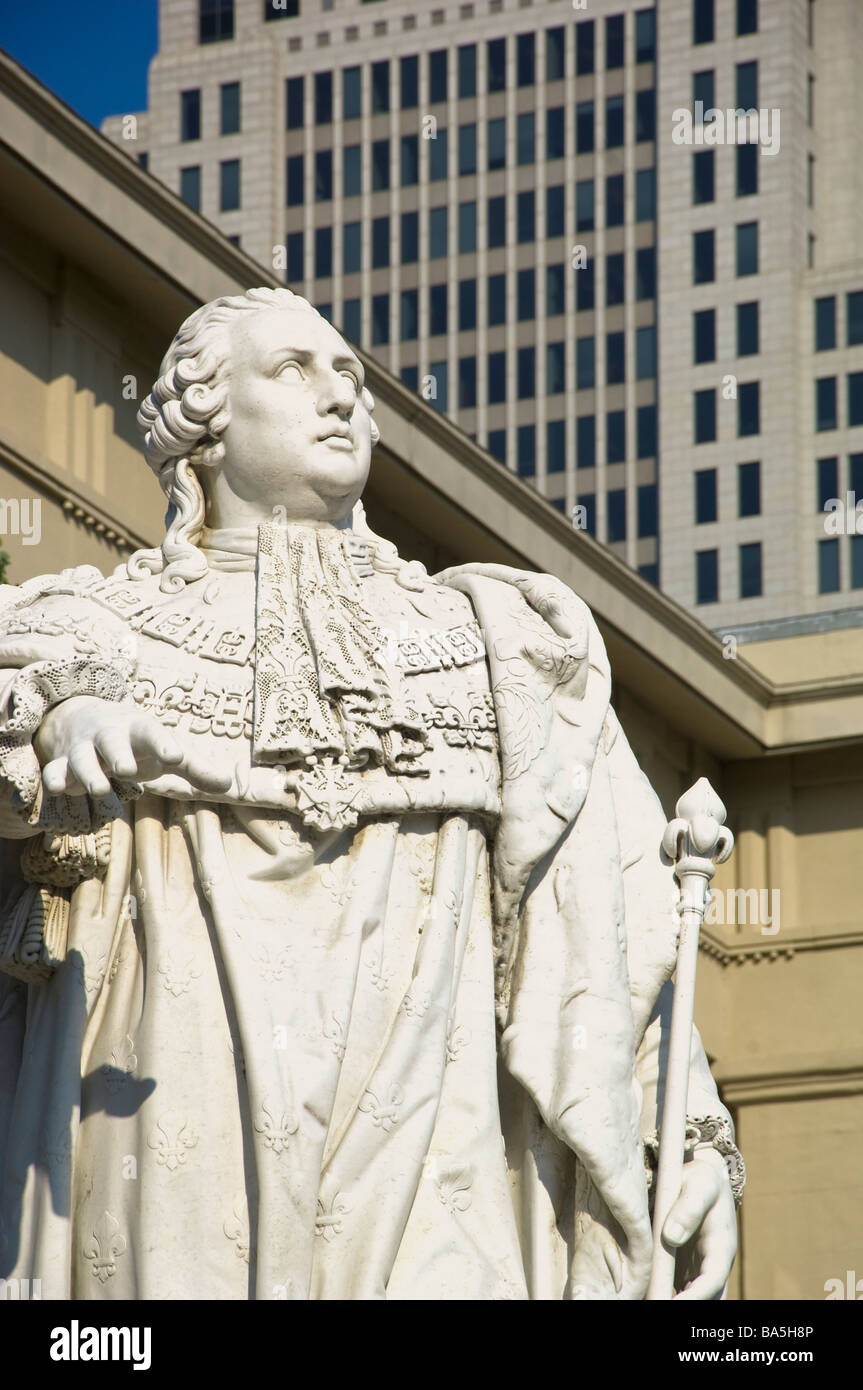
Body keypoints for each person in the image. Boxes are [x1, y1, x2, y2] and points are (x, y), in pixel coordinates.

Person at [0, 288, 742, 1300]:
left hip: (441, 1128)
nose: (341, 394)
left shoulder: (504, 648)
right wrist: (52, 739)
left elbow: (610, 928)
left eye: (350, 374)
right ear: (203, 425)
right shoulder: (88, 627)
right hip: (174, 1097)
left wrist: (683, 1132)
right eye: (294, 370)